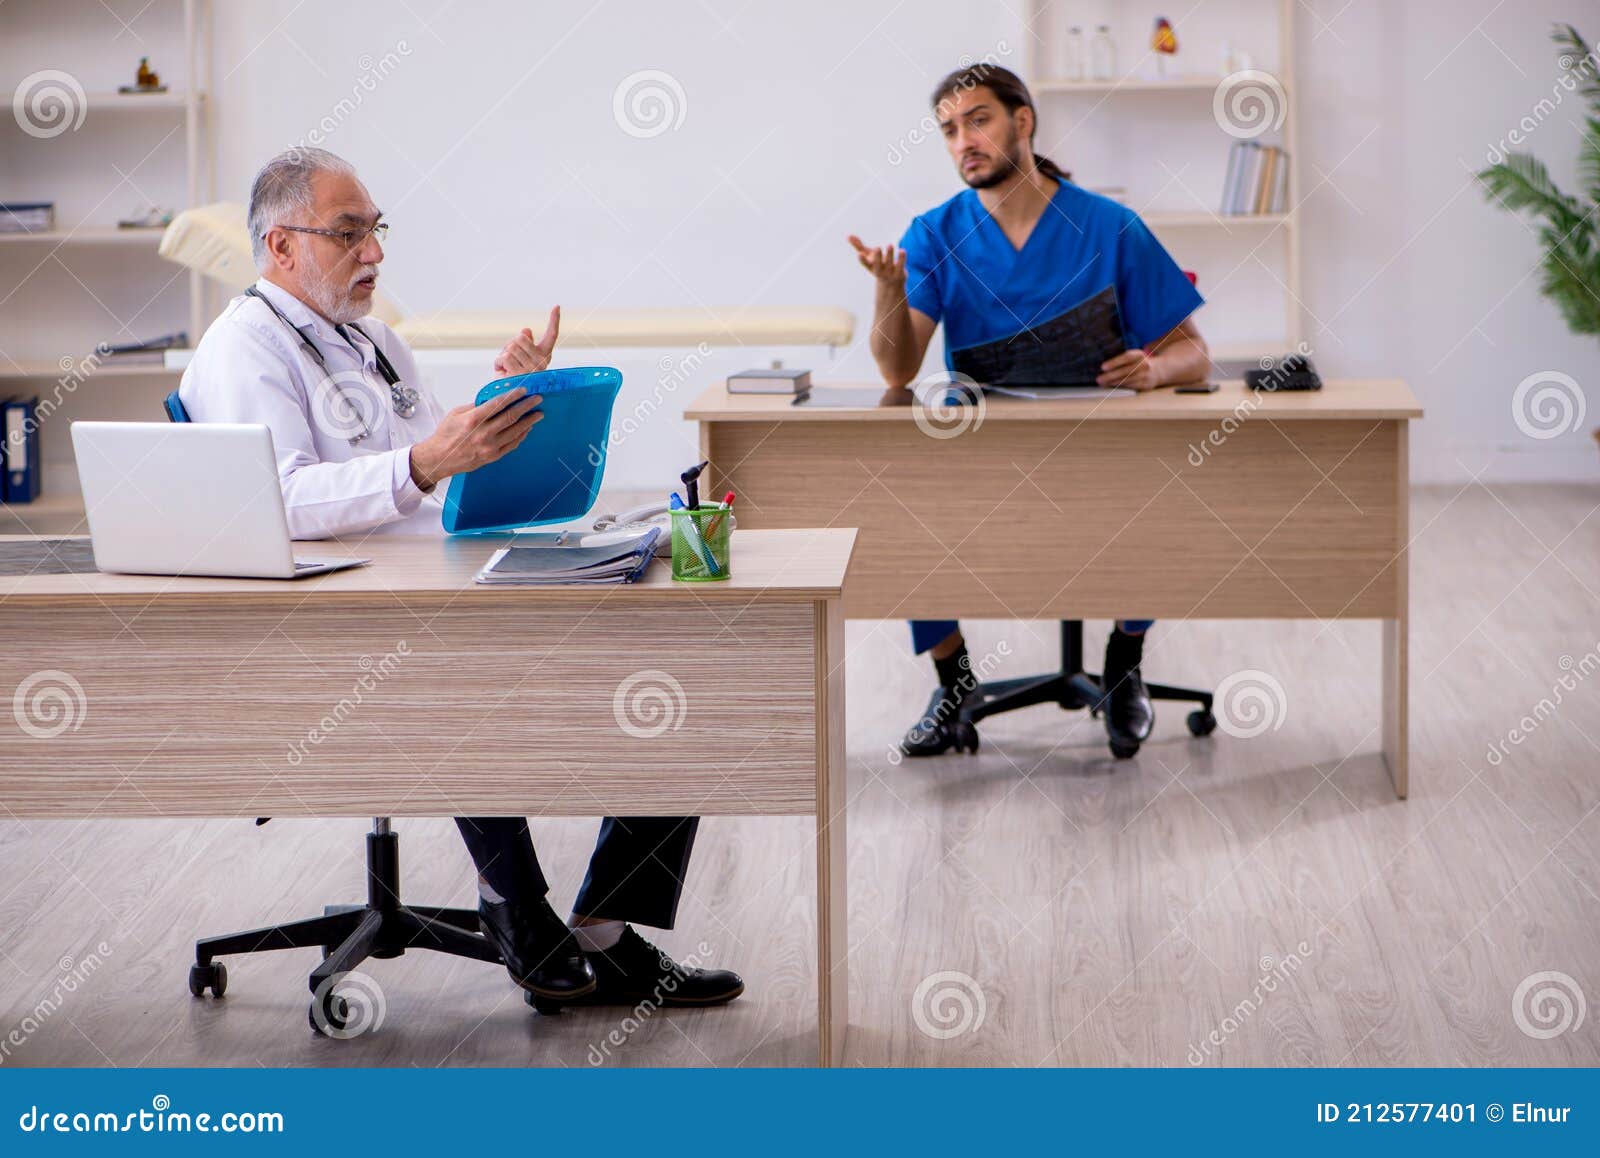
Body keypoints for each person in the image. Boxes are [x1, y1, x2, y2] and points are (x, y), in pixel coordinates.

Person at [179, 147, 742, 1012]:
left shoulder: (373, 340)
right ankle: (514, 906)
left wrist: (508, 405)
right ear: (281, 246)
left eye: (376, 232)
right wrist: (425, 462)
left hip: (433, 582)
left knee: (673, 665)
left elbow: (429, 477)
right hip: (337, 626)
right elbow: (280, 499)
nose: (373, 253)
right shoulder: (242, 348)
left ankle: (602, 930)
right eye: (349, 233)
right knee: (455, 664)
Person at [848, 64, 1210, 759]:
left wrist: (1154, 368)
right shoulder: (933, 234)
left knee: (1155, 492)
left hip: (1101, 452)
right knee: (906, 498)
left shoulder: (1110, 227)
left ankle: (1124, 661)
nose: (964, 141)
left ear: (1023, 121)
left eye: (978, 119)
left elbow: (1193, 353)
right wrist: (890, 292)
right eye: (949, 130)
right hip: (985, 455)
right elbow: (897, 369)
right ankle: (953, 683)